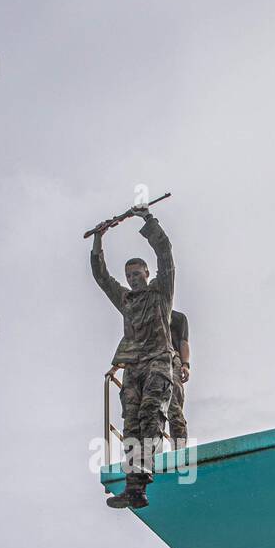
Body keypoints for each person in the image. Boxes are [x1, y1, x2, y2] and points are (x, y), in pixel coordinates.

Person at [89, 204, 177, 509]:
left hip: (158, 361)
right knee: (131, 424)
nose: (133, 279)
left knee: (150, 413)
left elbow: (165, 254)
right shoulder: (126, 299)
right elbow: (102, 277)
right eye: (129, 275)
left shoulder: (160, 292)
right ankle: (134, 488)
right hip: (133, 365)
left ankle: (143, 472)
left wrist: (148, 219)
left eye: (137, 274)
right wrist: (98, 240)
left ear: (147, 274)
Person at [169, 308, 190, 448]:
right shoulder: (145, 314)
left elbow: (183, 341)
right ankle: (146, 454)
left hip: (171, 359)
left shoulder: (177, 317)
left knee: (173, 405)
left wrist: (185, 364)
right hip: (147, 362)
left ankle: (179, 451)